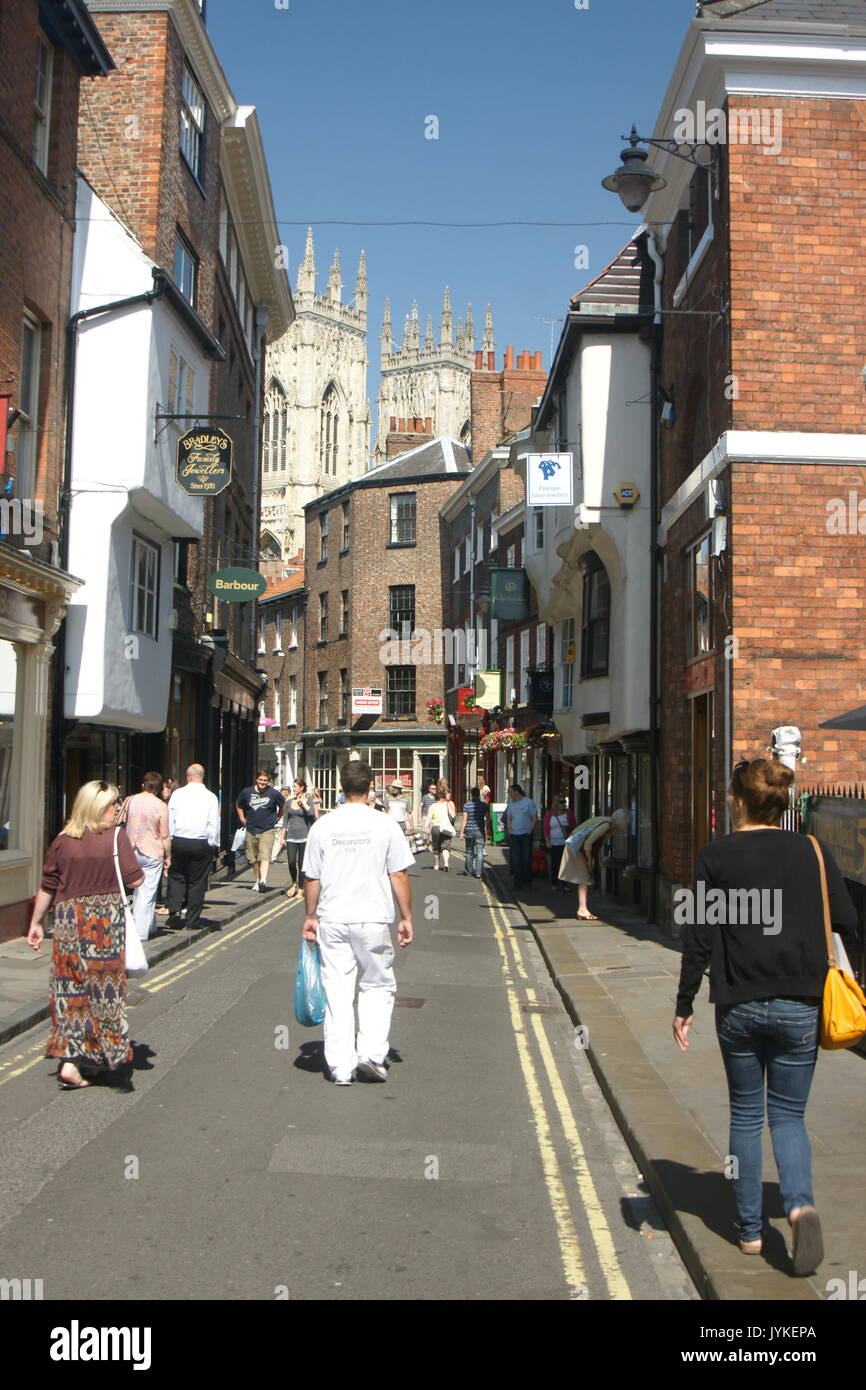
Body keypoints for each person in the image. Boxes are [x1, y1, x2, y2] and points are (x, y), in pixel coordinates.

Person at [673, 757, 857, 1276]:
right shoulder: (813, 852)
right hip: (801, 1002)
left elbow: (698, 938)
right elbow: (845, 920)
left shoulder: (714, 855)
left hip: (738, 1005)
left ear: (737, 800)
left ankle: (752, 1232)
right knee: (790, 1117)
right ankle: (798, 1205)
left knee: (746, 1116)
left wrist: (684, 1004)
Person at [302, 760, 414, 1085]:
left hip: (333, 918)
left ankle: (340, 1068)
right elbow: (399, 873)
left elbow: (312, 877)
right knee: (377, 985)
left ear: (340, 787)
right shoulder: (386, 824)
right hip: (373, 917)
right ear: (370, 788)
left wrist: (311, 916)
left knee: (337, 990)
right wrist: (406, 917)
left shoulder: (323, 826)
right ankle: (372, 1055)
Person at [27, 780, 144, 1090]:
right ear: (96, 807)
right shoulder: (116, 837)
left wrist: (36, 923)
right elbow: (135, 880)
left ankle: (78, 1062)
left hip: (67, 924)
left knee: (71, 995)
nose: (118, 807)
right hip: (103, 926)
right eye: (112, 803)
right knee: (104, 996)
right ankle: (88, 1059)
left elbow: (48, 885)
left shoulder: (63, 840)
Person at [166, 764, 220, 929]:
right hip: (201, 843)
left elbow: (170, 818)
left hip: (179, 841)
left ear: (188, 776)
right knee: (197, 882)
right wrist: (213, 844)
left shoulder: (177, 794)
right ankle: (192, 920)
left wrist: (171, 840)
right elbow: (214, 823)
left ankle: (174, 911)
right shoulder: (211, 797)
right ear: (202, 777)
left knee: (176, 877)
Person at [123, 771, 170, 940]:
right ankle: (141, 933)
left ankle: (150, 926)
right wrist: (168, 856)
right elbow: (164, 835)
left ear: (143, 785)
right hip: (152, 852)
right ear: (158, 789)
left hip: (130, 850)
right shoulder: (160, 805)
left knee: (138, 891)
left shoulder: (129, 800)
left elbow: (119, 821)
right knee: (147, 893)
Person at [558, 807, 629, 918]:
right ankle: (582, 910)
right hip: (576, 846)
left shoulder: (609, 824)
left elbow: (598, 842)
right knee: (584, 877)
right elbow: (588, 844)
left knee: (584, 878)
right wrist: (589, 862)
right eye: (626, 823)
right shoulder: (606, 825)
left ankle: (583, 909)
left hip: (576, 845)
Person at [236, 770, 285, 892]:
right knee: (253, 858)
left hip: (267, 829)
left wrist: (278, 817)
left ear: (268, 782)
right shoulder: (247, 792)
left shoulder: (273, 793)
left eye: (265, 780)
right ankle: (258, 880)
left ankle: (263, 880)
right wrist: (242, 818)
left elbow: (283, 805)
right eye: (260, 780)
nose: (263, 782)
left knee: (265, 855)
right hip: (251, 829)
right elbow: (238, 804)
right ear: (256, 780)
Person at [282, 779, 318, 900]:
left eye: (295, 786)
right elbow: (285, 820)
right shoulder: (289, 802)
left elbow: (312, 814)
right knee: (291, 862)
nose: (293, 788)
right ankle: (294, 883)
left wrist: (304, 804)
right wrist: (282, 837)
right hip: (291, 836)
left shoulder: (308, 800)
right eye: (293, 786)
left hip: (304, 836)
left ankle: (301, 887)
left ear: (302, 788)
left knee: (301, 863)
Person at [504, 783, 539, 890]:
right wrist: (509, 830)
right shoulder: (511, 803)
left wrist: (530, 830)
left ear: (516, 791)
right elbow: (508, 818)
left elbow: (534, 817)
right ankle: (517, 883)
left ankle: (527, 883)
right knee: (515, 860)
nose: (508, 793)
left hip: (526, 835)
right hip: (514, 835)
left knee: (526, 860)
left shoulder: (528, 802)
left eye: (510, 791)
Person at [544, 796, 576, 891]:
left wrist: (568, 828)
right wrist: (547, 841)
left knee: (565, 864)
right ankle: (555, 883)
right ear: (556, 803)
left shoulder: (569, 813)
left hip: (565, 842)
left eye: (564, 802)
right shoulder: (549, 814)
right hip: (553, 842)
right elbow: (546, 829)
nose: (563, 804)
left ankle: (565, 884)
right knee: (555, 863)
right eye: (561, 802)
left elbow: (574, 825)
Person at [458, 786, 489, 878]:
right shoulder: (484, 805)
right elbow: (487, 819)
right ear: (479, 795)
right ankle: (479, 872)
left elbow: (464, 819)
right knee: (479, 851)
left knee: (469, 851)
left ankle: (468, 870)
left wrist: (461, 832)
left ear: (471, 795)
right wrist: (487, 831)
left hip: (469, 831)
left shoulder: (467, 805)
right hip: (480, 831)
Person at [426, 787, 457, 872]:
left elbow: (429, 818)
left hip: (435, 827)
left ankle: (436, 864)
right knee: (446, 846)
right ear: (443, 797)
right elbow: (453, 815)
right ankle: (446, 864)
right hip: (445, 827)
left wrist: (426, 827)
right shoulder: (446, 804)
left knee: (436, 847)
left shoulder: (432, 806)